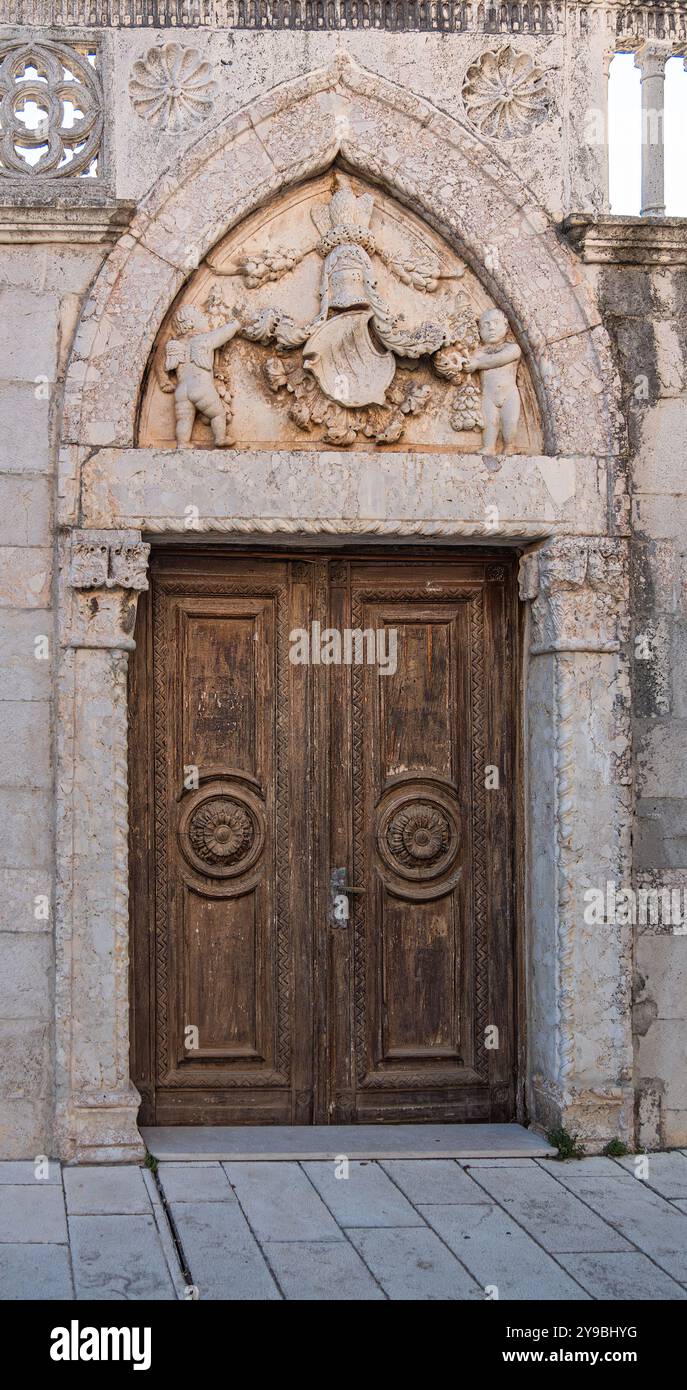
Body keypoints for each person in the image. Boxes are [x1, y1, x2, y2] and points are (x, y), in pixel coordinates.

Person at [162, 304, 241, 447]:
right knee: (218, 414)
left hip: (181, 391)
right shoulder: (203, 340)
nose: (205, 317)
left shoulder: (176, 345)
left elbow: (167, 366)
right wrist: (234, 325)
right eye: (201, 316)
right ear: (191, 323)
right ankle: (220, 438)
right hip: (200, 386)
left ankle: (183, 443)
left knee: (184, 419)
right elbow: (223, 334)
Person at [465, 308, 522, 452]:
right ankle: (489, 447)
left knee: (510, 421)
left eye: (495, 323)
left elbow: (498, 360)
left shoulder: (513, 348)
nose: (491, 328)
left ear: (506, 326)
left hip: (509, 394)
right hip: (488, 396)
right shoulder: (479, 352)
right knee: (489, 421)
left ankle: (510, 446)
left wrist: (477, 364)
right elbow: (467, 362)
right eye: (485, 325)